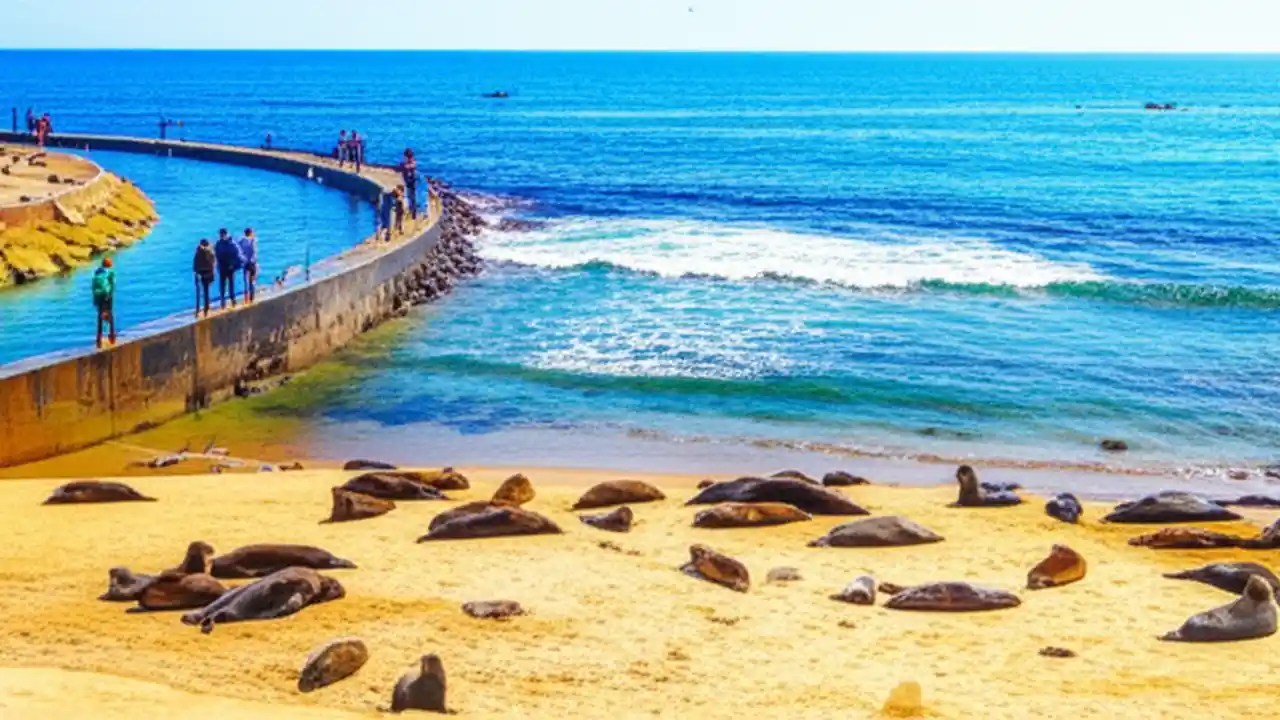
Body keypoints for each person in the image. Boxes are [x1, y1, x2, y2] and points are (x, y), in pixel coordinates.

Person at [214, 228, 244, 309]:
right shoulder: (227, 243)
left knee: (230, 285)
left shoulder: (225, 244)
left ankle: (232, 300)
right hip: (223, 267)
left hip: (228, 268)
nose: (221, 236)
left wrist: (233, 264)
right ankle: (224, 301)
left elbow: (237, 255)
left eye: (222, 234)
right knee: (224, 285)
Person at [91, 257, 117, 348]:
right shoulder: (110, 272)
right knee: (110, 314)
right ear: (110, 264)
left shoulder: (97, 271)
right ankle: (112, 335)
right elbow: (113, 284)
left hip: (97, 295)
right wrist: (110, 294)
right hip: (106, 295)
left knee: (100, 315)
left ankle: (99, 338)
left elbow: (94, 285)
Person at [192, 238, 216, 317]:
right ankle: (206, 309)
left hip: (199, 274)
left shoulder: (198, 253)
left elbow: (195, 264)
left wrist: (196, 272)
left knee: (199, 293)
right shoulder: (209, 252)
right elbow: (212, 262)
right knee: (206, 291)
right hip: (208, 273)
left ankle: (198, 310)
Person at [238, 227, 259, 304]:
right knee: (252, 281)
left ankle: (246, 298)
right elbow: (254, 251)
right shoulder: (252, 241)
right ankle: (251, 298)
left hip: (245, 263)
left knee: (246, 281)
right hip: (252, 263)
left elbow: (239, 251)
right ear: (251, 233)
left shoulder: (241, 241)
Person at [399, 148, 419, 220]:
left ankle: (413, 213)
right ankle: (411, 211)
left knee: (412, 197)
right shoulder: (408, 162)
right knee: (409, 197)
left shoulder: (412, 162)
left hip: (411, 182)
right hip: (408, 182)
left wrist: (405, 165)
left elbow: (410, 166)